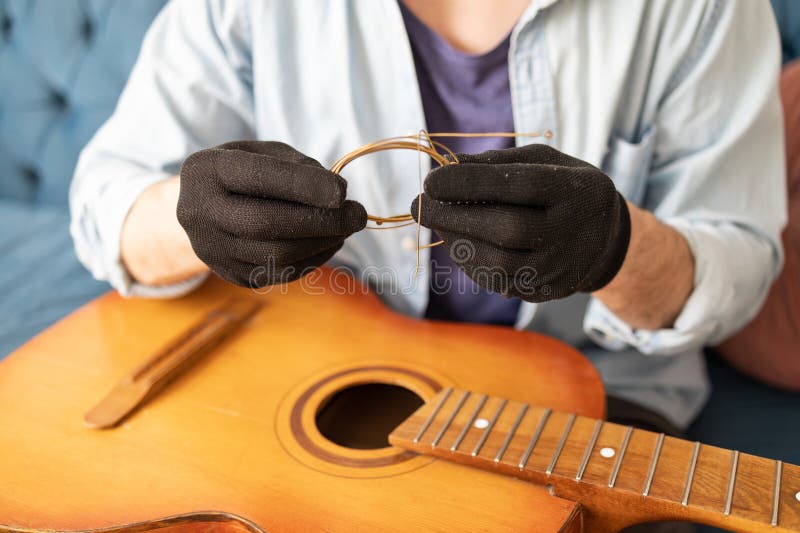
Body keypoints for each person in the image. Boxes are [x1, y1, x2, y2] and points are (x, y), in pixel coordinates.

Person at [71, 0, 784, 460]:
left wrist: (617, 246)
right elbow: (106, 200)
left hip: (595, 398)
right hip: (321, 376)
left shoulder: (701, 9)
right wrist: (191, 217)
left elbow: (740, 260)